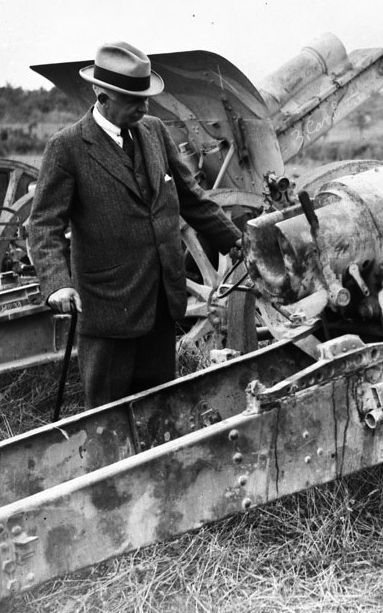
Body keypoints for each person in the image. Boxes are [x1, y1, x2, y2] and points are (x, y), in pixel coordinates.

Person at [28, 41, 241, 408]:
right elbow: (44, 224)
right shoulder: (68, 148)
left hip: (160, 301)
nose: (144, 107)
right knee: (109, 419)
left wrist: (237, 242)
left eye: (145, 98)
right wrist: (57, 285)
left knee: (159, 408)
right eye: (134, 100)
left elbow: (191, 197)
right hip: (109, 309)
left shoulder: (155, 132)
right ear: (103, 95)